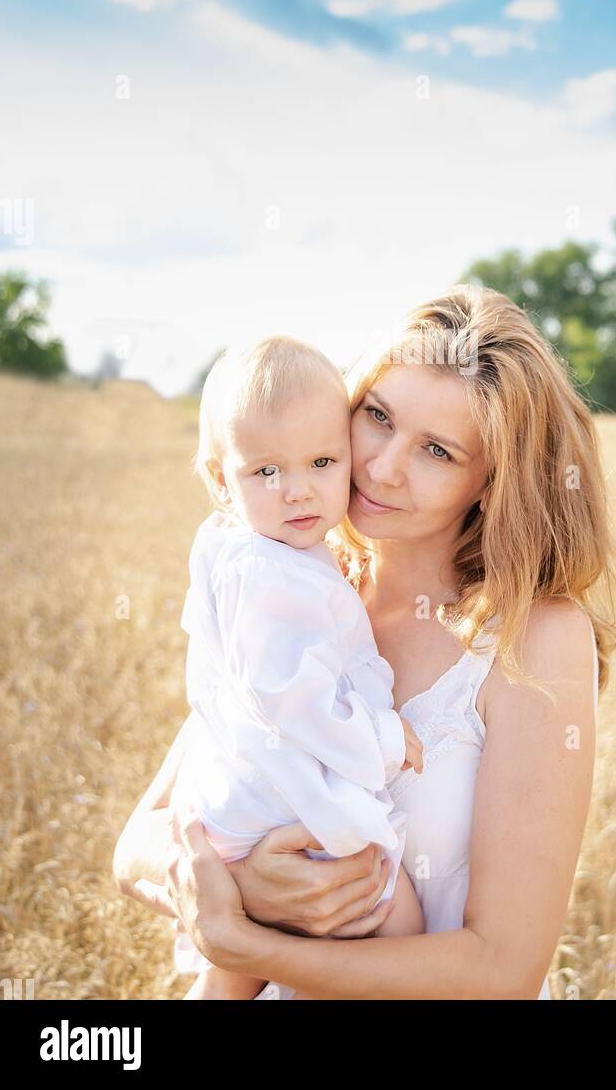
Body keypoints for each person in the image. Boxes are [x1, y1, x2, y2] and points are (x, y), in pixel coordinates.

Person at [114, 284, 616, 999]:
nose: (384, 465)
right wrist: (241, 886)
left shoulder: (532, 638)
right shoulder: (293, 581)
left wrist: (244, 938)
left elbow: (502, 971)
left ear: (491, 482)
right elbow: (136, 843)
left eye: (437, 451)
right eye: (377, 417)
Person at [168, 335, 425, 999]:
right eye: (266, 472)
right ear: (219, 480)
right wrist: (387, 741)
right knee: (393, 916)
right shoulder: (271, 575)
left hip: (239, 802)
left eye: (320, 461)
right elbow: (296, 702)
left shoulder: (240, 547)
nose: (298, 491)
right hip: (276, 803)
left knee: (242, 966)